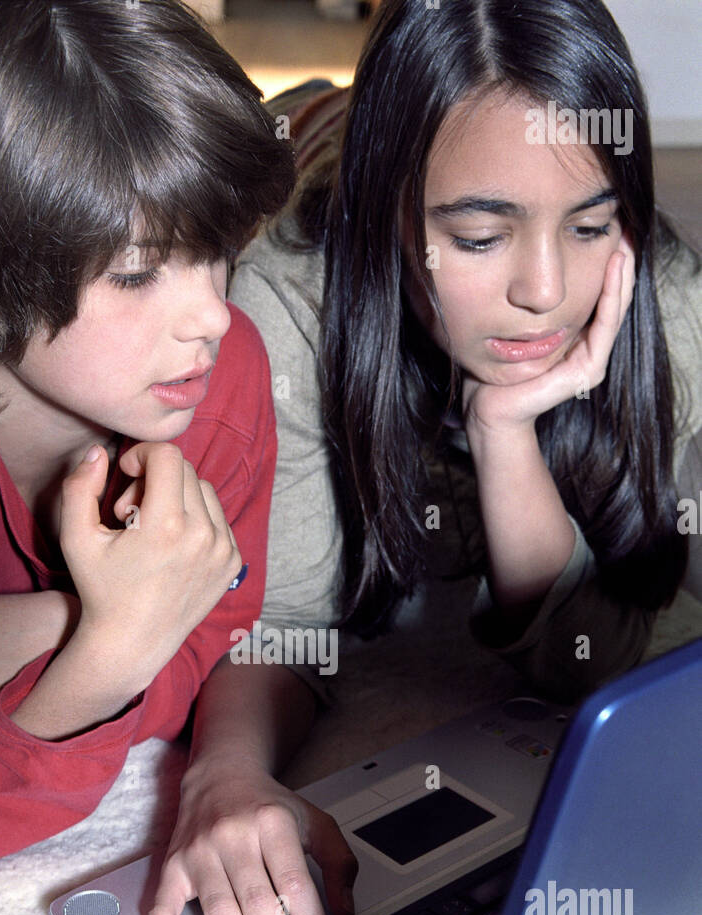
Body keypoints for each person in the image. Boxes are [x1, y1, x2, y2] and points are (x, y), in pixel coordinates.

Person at [0, 0, 358, 915]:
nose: (213, 316)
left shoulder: (216, 381)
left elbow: (224, 624)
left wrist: (40, 626)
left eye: (218, 251)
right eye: (136, 273)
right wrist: (117, 641)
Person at [230, 0, 702, 713]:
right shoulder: (287, 303)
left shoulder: (661, 295)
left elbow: (589, 659)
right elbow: (279, 630)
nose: (544, 294)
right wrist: (227, 775)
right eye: (481, 238)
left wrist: (503, 432)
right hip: (308, 140)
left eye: (589, 224)